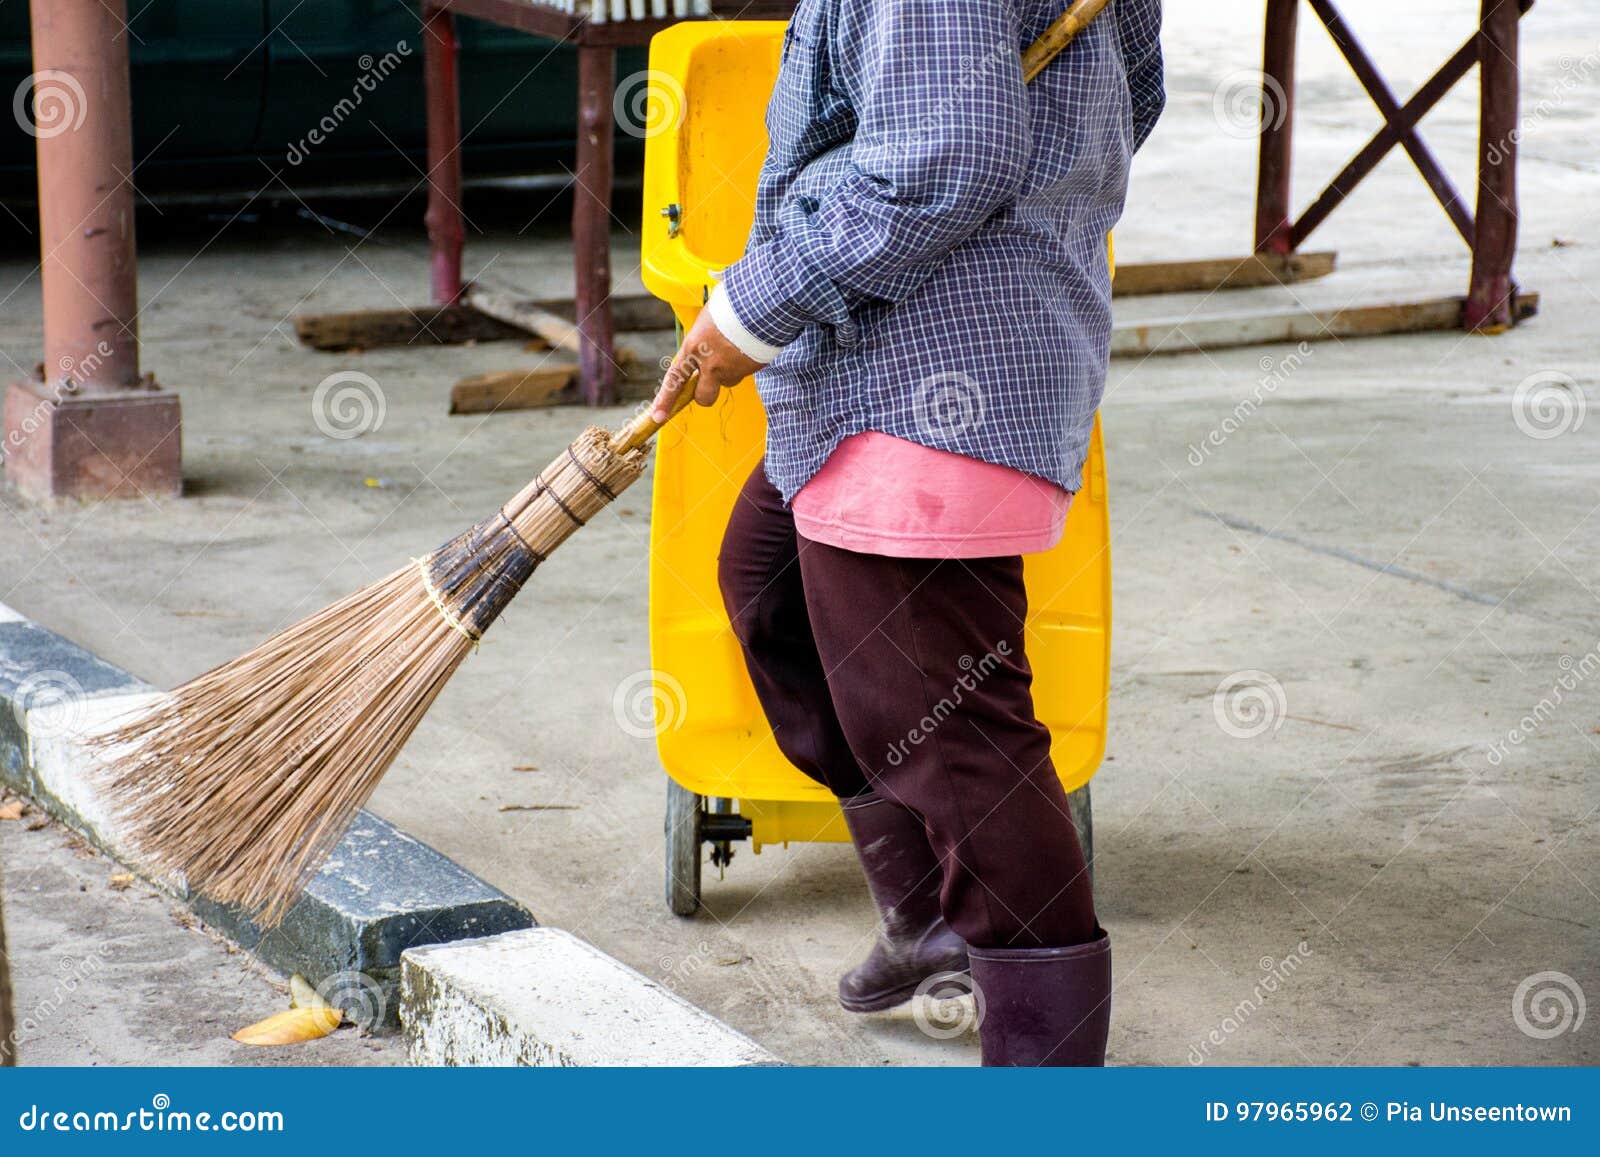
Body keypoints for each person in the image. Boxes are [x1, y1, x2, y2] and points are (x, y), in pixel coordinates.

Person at [650, 0, 1164, 1067]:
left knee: (952, 735)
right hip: (870, 374)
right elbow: (1131, 89)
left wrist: (752, 309)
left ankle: (1046, 1069)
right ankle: (931, 916)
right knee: (770, 590)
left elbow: (945, 160)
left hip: (933, 380)